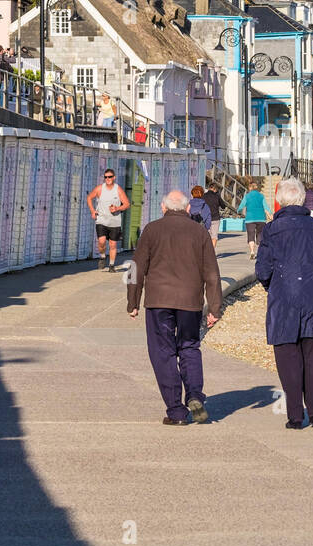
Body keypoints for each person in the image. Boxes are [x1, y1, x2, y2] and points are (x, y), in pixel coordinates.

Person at [255, 178, 313, 430]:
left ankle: (295, 416)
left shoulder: (271, 230)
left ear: (280, 200)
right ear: (303, 199)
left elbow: (262, 269)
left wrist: (272, 286)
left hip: (283, 298)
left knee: (287, 355)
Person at [127, 190, 222, 426]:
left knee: (163, 352)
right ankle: (194, 395)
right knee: (189, 347)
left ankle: (176, 410)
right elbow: (212, 273)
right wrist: (215, 307)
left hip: (159, 300)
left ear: (163, 208)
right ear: (188, 209)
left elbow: (136, 268)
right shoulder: (199, 232)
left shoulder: (151, 230)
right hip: (190, 301)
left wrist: (133, 301)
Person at [87, 167, 131, 271]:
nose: (108, 179)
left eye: (110, 177)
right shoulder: (99, 189)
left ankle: (111, 265)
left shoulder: (118, 189)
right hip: (101, 219)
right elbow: (89, 197)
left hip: (114, 221)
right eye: (106, 177)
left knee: (113, 244)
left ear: (114, 177)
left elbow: (127, 204)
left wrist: (117, 208)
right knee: (101, 241)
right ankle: (102, 256)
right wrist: (93, 211)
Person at [241, 179, 269, 259]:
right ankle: (260, 252)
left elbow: (241, 206)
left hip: (250, 219)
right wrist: (269, 213)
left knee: (251, 235)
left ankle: (252, 251)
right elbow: (265, 206)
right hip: (261, 219)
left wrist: (238, 211)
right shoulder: (261, 196)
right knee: (260, 235)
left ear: (250, 188)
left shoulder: (247, 196)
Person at [202, 182, 224, 248]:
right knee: (214, 236)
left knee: (207, 235)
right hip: (215, 218)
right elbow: (223, 206)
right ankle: (212, 252)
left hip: (206, 218)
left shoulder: (203, 196)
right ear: (215, 189)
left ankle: (207, 251)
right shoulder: (217, 196)